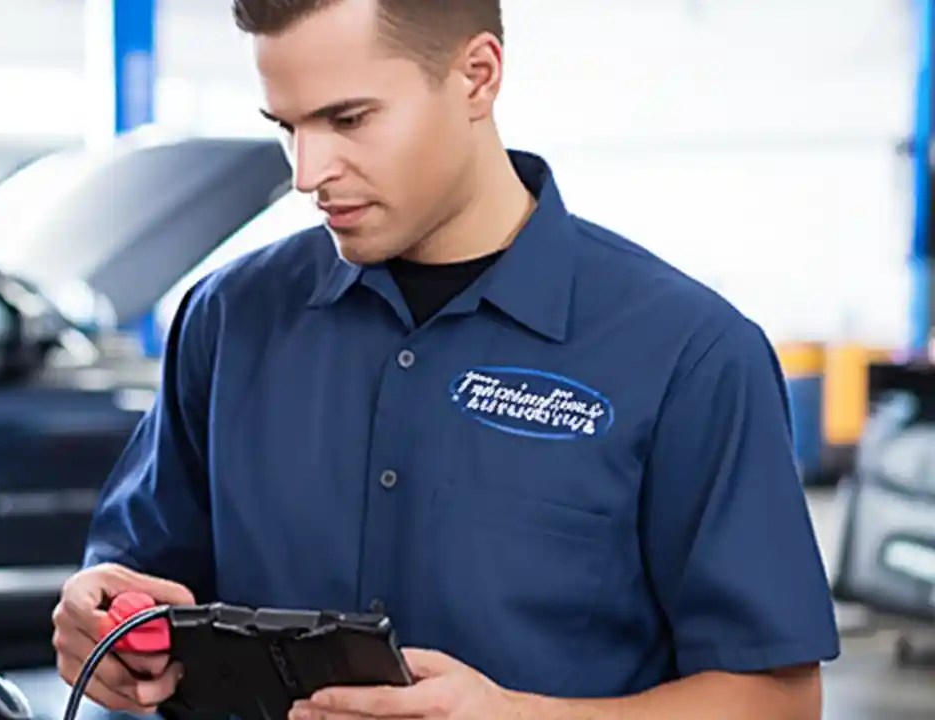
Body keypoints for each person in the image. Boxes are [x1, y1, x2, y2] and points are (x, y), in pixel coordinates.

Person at [52, 0, 841, 718]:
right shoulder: (228, 318)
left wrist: (523, 718)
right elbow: (139, 574)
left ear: (477, 76)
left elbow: (776, 699)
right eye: (287, 126)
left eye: (349, 118)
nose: (306, 173)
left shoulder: (689, 354)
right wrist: (101, 615)